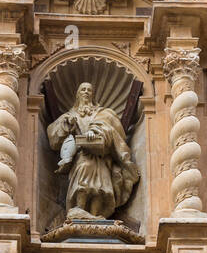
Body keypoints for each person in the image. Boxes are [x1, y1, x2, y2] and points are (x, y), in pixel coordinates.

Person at [47, 82, 139, 220]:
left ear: (93, 95)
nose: (86, 92)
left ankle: (96, 216)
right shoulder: (70, 115)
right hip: (81, 155)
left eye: (89, 90)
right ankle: (80, 209)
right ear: (78, 95)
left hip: (101, 158)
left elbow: (115, 131)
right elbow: (53, 137)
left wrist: (96, 131)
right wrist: (66, 124)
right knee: (83, 180)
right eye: (83, 89)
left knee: (101, 187)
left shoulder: (103, 113)